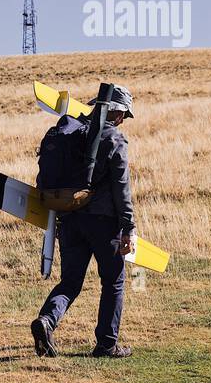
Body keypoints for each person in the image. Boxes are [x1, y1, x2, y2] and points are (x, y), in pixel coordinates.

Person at [31, 85, 137, 359]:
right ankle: (106, 344)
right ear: (115, 112)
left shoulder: (71, 133)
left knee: (70, 281)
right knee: (113, 281)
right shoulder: (114, 138)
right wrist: (128, 227)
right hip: (103, 223)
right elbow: (121, 186)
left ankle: (46, 321)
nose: (123, 121)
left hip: (68, 218)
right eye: (124, 115)